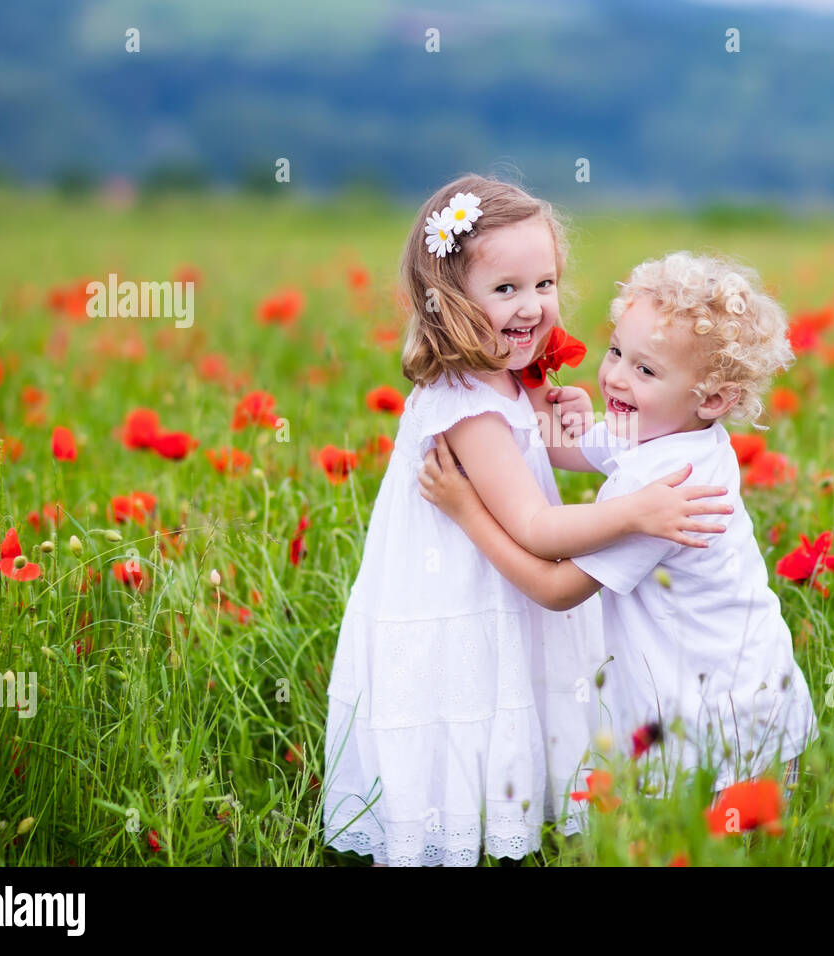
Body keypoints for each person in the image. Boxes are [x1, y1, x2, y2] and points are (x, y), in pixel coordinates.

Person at [323, 177, 734, 866]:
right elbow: (537, 530)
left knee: (516, 697)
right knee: (470, 706)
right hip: (462, 596)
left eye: (544, 283)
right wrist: (634, 510)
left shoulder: (506, 375)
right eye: (506, 289)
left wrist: (562, 415)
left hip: (498, 589)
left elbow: (551, 447)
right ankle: (456, 839)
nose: (534, 306)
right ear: (450, 300)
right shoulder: (467, 403)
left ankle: (513, 836)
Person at [419, 251, 817, 798]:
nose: (615, 377)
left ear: (714, 398)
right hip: (746, 698)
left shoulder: (664, 487)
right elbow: (560, 446)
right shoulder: (672, 431)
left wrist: (467, 511)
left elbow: (555, 588)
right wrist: (538, 377)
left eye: (645, 369)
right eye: (615, 352)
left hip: (728, 725)